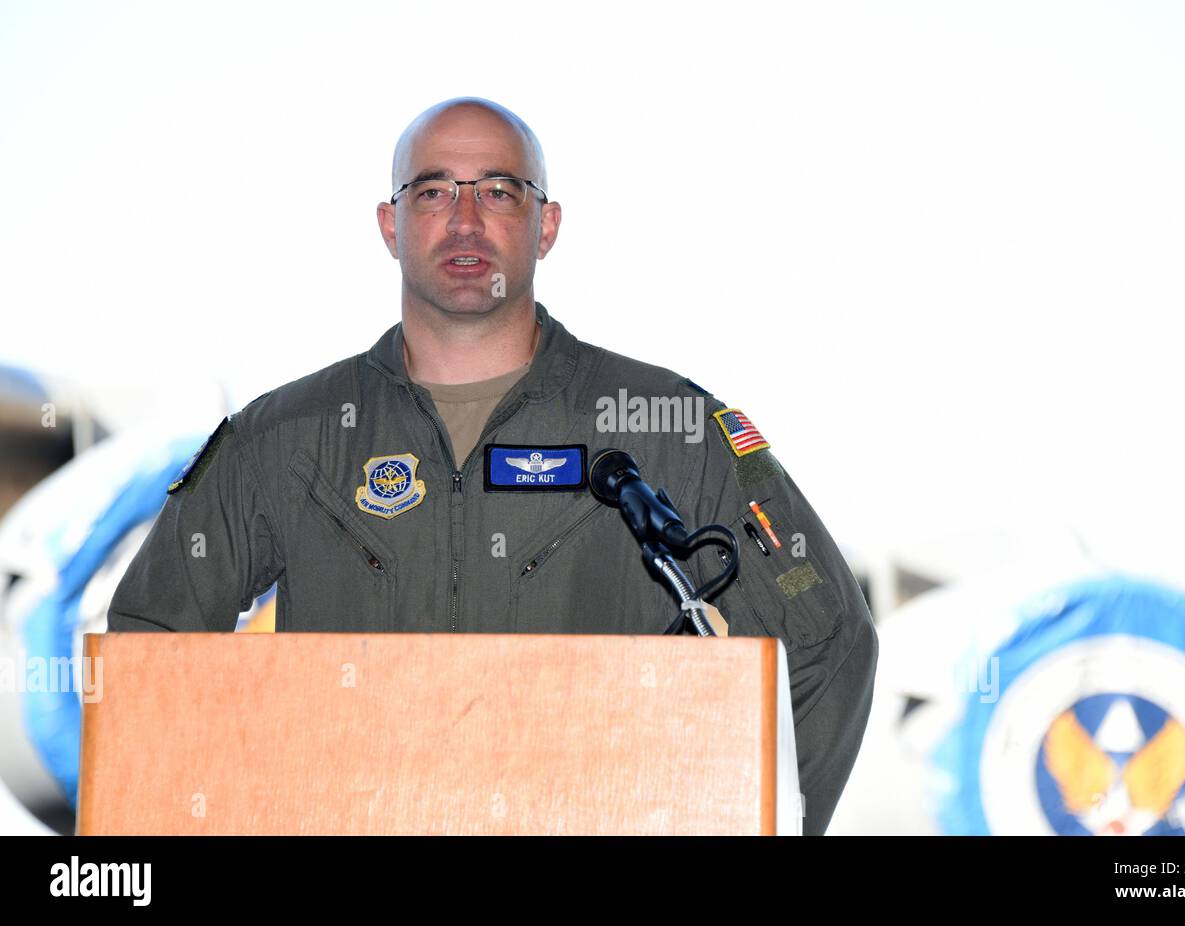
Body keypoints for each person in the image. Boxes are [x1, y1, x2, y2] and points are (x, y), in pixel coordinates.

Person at [107, 98, 878, 835]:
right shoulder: (285, 438)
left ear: (546, 226)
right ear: (390, 224)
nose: (465, 218)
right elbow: (150, 648)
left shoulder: (665, 425)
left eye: (501, 191)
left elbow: (829, 641)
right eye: (434, 190)